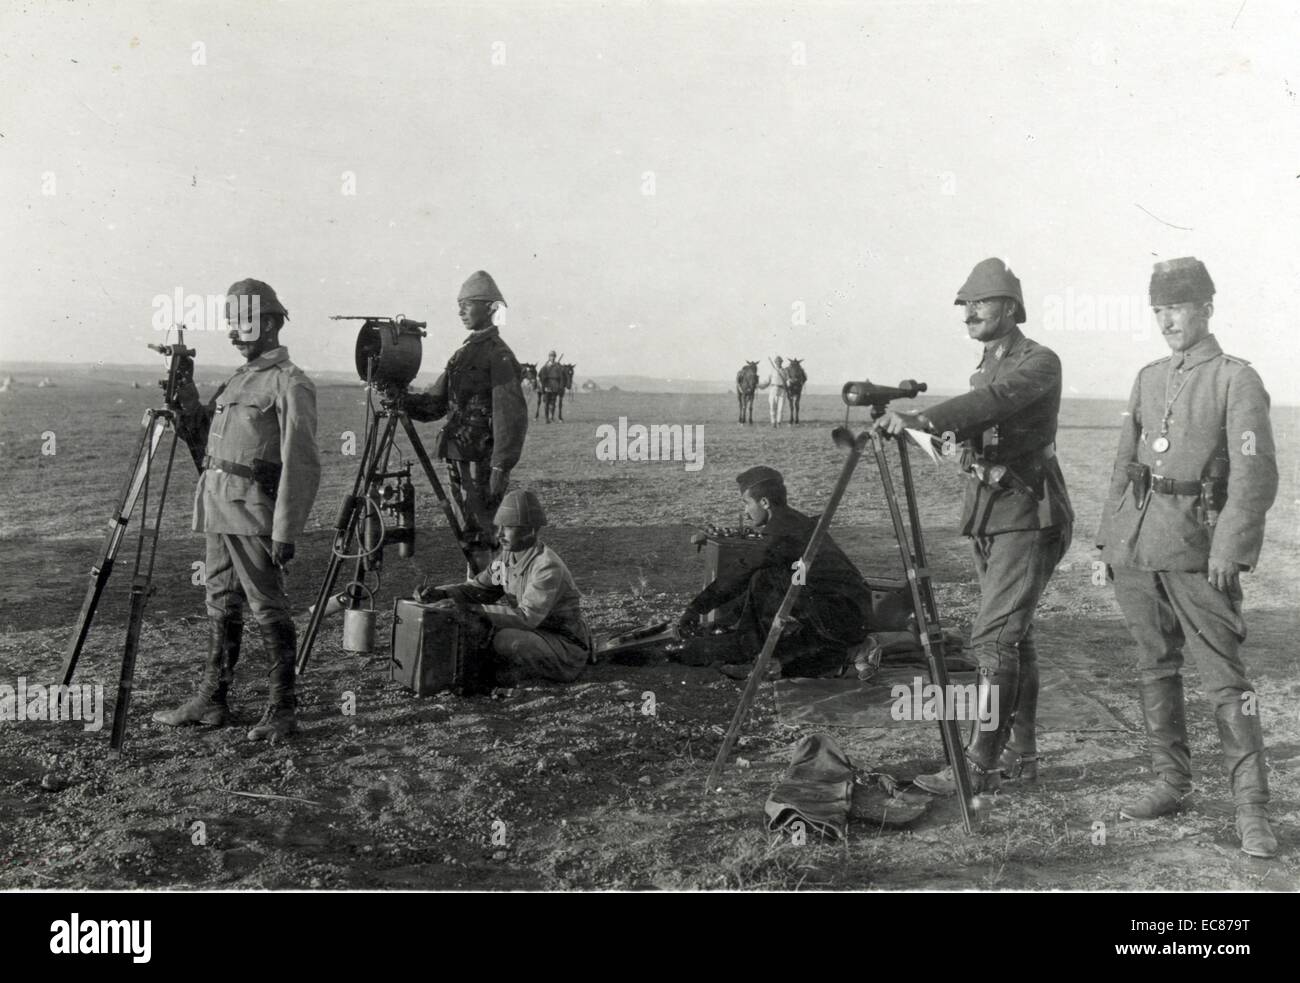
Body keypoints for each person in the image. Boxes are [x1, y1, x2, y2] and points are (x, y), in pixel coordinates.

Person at [1096, 257, 1279, 858]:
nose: (1166, 320)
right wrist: (1109, 543)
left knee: (1227, 680)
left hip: (1200, 550)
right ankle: (1171, 782)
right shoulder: (1149, 377)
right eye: (1157, 310)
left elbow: (1254, 476)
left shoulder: (1235, 378)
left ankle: (1252, 810)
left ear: (1205, 307)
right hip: (1140, 548)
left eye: (1176, 308)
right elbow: (1126, 466)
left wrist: (1231, 548)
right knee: (1154, 667)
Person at [875, 257, 1073, 794]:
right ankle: (1022, 753)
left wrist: (927, 417)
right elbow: (980, 420)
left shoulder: (1038, 362)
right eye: (964, 305)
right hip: (990, 513)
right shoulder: (982, 368)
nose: (969, 313)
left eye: (980, 303)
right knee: (1016, 637)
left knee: (992, 640)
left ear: (1010, 308)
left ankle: (979, 765)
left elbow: (996, 401)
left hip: (1030, 514)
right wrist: (941, 440)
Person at [155, 279, 321, 741]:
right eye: (229, 324)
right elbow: (204, 439)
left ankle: (282, 711)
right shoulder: (237, 381)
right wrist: (186, 395)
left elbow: (303, 463)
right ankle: (213, 700)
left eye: (241, 323)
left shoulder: (291, 383)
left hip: (252, 512)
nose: (232, 333)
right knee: (220, 601)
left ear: (269, 324)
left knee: (267, 606)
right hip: (218, 508)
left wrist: (286, 530)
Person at [675, 466, 873, 677]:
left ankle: (752, 653)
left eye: (747, 503)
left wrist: (695, 609)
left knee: (764, 579)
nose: (746, 512)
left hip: (844, 616)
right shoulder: (793, 521)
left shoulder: (780, 533)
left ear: (765, 502)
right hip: (851, 611)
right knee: (767, 580)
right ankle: (834, 653)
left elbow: (741, 572)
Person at [406, 271, 529, 572]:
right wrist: (402, 397)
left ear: (490, 309)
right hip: (458, 455)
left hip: (481, 460)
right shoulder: (462, 353)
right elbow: (435, 404)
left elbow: (510, 417)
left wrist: (500, 466)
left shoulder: (498, 355)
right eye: (459, 304)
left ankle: (495, 593)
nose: (460, 311)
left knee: (487, 531)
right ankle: (478, 588)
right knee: (467, 529)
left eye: (468, 304)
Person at [416, 489, 592, 685]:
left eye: (508, 528)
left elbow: (526, 618)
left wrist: (471, 609)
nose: (499, 534)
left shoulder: (546, 567)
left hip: (564, 647)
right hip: (538, 635)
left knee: (505, 640)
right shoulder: (508, 558)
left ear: (531, 529)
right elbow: (480, 590)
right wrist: (442, 593)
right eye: (499, 527)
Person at [760, 356, 790, 428]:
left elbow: (788, 381)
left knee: (780, 409)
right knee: (772, 407)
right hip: (773, 390)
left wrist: (788, 386)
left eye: (780, 361)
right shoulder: (772, 371)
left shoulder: (785, 371)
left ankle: (779, 423)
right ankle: (773, 423)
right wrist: (760, 386)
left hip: (782, 391)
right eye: (777, 362)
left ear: (781, 362)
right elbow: (767, 381)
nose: (778, 363)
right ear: (775, 362)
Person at [537, 350, 565, 423]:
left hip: (555, 386)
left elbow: (561, 377)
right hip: (547, 386)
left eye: (553, 356)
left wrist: (560, 387)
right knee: (546, 403)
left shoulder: (558, 367)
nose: (552, 358)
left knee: (553, 402)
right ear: (549, 357)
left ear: (555, 357)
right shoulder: (545, 367)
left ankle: (551, 417)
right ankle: (547, 419)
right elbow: (540, 375)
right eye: (551, 356)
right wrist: (544, 381)